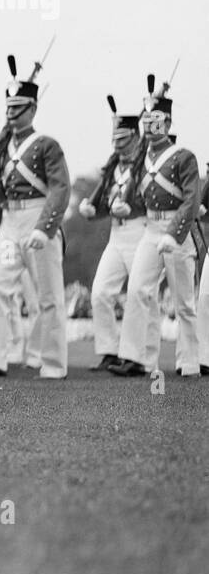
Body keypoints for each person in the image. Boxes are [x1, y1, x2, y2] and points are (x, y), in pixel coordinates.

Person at [0, 69, 70, 379]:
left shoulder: (46, 144)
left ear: (32, 109)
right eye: (8, 107)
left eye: (17, 108)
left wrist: (45, 227)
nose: (10, 114)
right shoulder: (4, 147)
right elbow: (0, 185)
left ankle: (53, 364)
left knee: (48, 295)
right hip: (10, 223)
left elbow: (60, 188)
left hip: (38, 219)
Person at [108, 84, 201, 378]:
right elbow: (138, 196)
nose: (150, 126)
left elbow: (191, 198)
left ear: (169, 122)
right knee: (137, 290)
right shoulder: (141, 159)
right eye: (146, 121)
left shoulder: (183, 156)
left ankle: (189, 362)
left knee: (183, 301)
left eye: (156, 120)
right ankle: (138, 358)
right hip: (150, 228)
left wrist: (174, 233)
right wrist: (124, 207)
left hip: (178, 230)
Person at [77, 106, 158, 371]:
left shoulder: (146, 164)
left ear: (135, 136)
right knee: (100, 292)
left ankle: (143, 357)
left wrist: (134, 208)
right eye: (115, 139)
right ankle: (109, 351)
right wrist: (93, 210)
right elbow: (108, 202)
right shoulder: (114, 166)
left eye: (123, 139)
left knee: (142, 294)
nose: (118, 144)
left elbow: (155, 199)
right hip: (116, 234)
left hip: (141, 230)